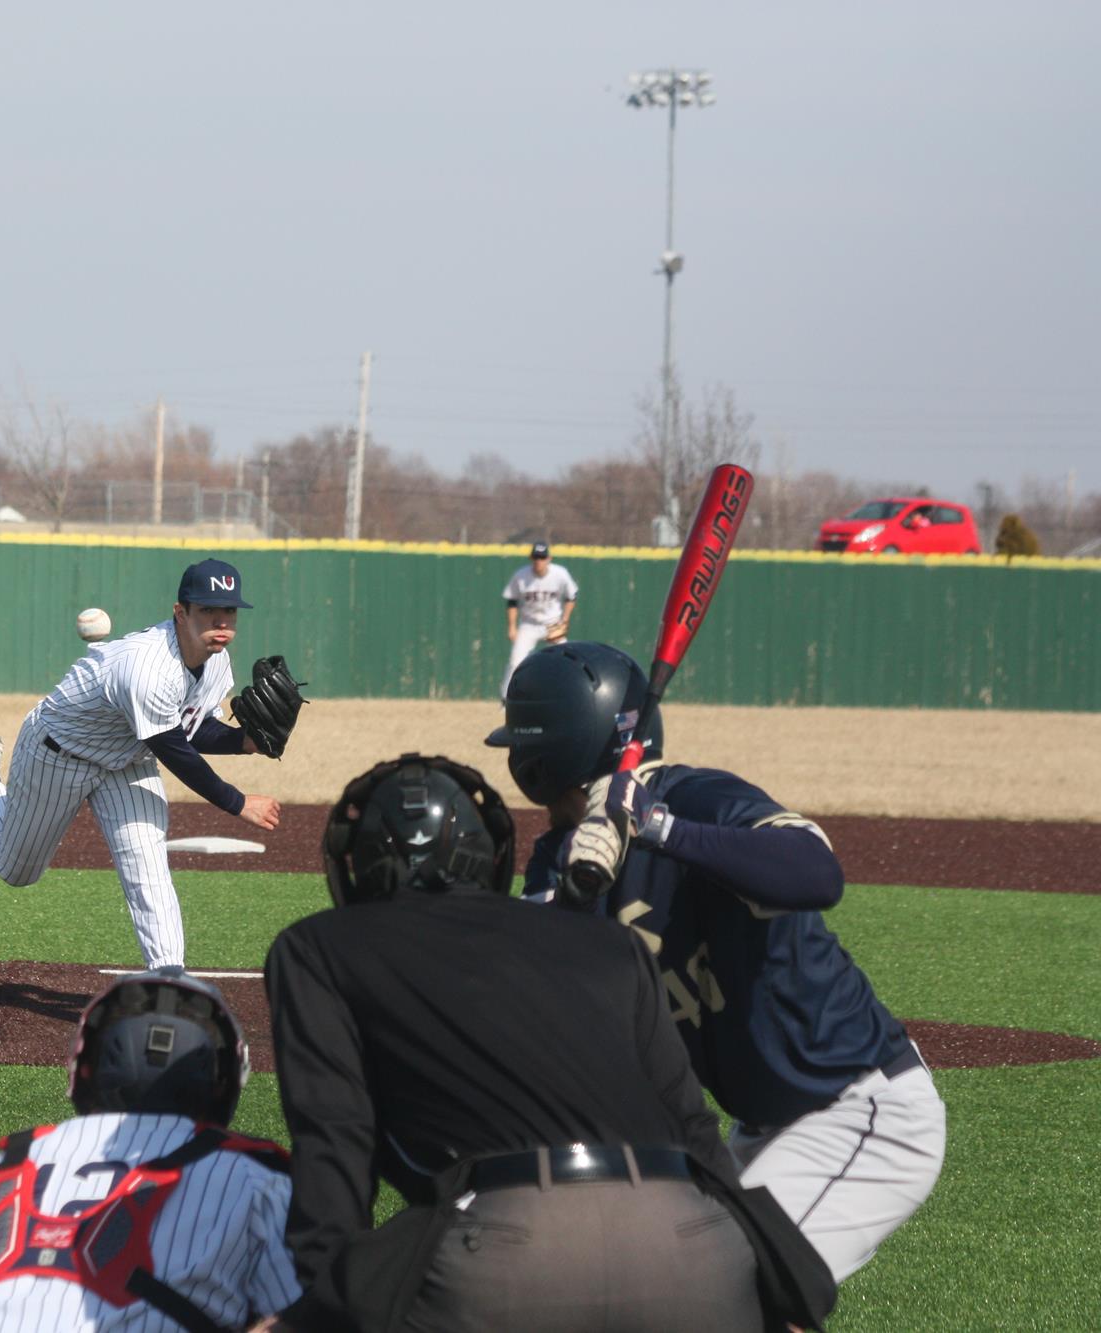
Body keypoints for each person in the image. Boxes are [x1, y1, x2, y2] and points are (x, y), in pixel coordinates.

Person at [260, 754, 831, 1332]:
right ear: (490, 854)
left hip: (504, 1251)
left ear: (355, 864)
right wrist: (779, 1285)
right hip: (694, 1246)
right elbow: (695, 1133)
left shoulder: (316, 947)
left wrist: (315, 1312)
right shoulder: (611, 943)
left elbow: (336, 1145)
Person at [486, 641, 947, 1283]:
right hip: (763, 1129)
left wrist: (659, 829)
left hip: (859, 1110)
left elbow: (816, 875)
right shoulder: (563, 858)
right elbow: (547, 1011)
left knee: (736, 1291)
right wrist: (576, 890)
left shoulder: (696, 797)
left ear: (540, 752)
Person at [0, 969, 302, 1332]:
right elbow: (311, 1315)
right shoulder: (252, 1176)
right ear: (224, 1080)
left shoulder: (7, 1165)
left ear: (87, 1067)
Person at [0, 559, 282, 970]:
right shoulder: (146, 667)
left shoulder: (216, 663)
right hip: (62, 751)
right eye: (207, 610)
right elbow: (173, 748)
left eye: (228, 610)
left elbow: (193, 729)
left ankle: (169, 976)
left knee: (147, 862)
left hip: (128, 760)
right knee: (16, 870)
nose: (221, 620)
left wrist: (245, 742)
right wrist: (237, 801)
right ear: (181, 613)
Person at [500, 542, 577, 699]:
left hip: (553, 624)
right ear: (531, 558)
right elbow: (512, 601)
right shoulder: (521, 576)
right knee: (516, 660)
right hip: (529, 624)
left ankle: (566, 697)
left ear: (549, 558)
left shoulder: (560, 574)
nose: (539, 561)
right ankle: (506, 698)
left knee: (564, 660)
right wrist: (512, 627)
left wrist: (565, 620)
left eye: (542, 558)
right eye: (536, 557)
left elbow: (571, 596)